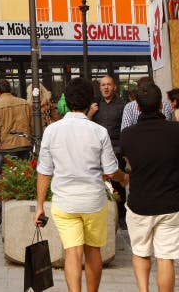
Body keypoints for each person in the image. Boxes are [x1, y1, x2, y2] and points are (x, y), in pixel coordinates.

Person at [35, 77, 127, 292]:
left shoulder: (52, 131)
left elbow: (44, 171)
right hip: (93, 202)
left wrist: (39, 206)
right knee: (93, 251)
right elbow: (111, 171)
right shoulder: (99, 132)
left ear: (66, 100)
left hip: (64, 203)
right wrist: (124, 179)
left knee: (72, 251)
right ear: (89, 102)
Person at [120, 80, 179, 292]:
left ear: (137, 107)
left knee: (141, 252)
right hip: (171, 204)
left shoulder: (127, 135)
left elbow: (130, 163)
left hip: (139, 204)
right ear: (162, 106)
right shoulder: (176, 131)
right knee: (165, 258)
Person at [86, 74, 128, 229]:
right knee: (100, 183)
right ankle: (104, 214)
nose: (106, 87)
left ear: (114, 87)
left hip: (116, 149)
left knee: (119, 184)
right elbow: (86, 124)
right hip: (98, 150)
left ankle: (121, 216)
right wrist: (90, 113)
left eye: (109, 84)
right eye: (103, 85)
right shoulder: (95, 105)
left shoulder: (122, 105)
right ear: (100, 87)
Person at [0, 79, 33, 167]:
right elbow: (33, 125)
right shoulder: (25, 103)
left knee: (10, 178)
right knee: (26, 177)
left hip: (6, 148)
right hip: (25, 145)